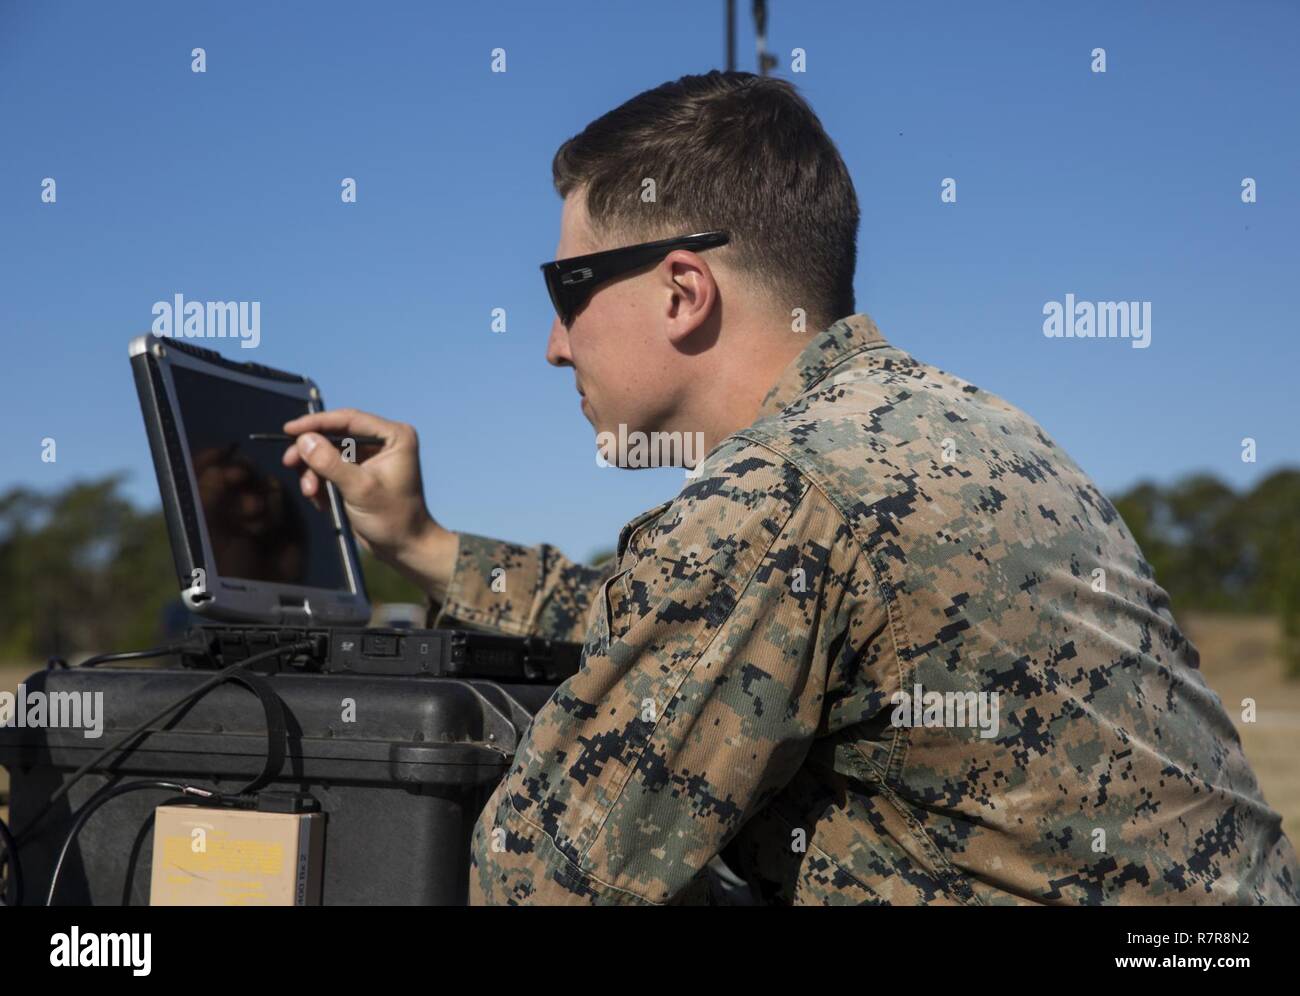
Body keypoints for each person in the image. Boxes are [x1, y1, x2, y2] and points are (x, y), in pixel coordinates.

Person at [282, 71, 1299, 905]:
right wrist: (421, 541)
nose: (552, 346)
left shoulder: (782, 492)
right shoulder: (955, 426)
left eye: (567, 291)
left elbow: (540, 882)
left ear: (682, 291)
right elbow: (666, 623)